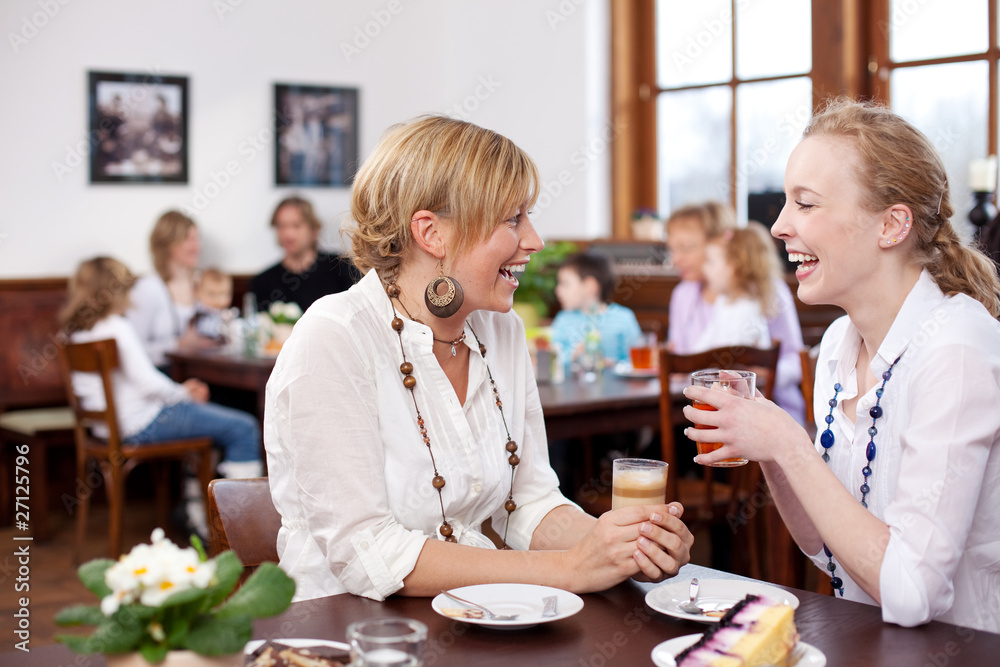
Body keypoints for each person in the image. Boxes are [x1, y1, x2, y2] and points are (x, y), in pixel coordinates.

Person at [264, 116, 694, 602]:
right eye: (513, 219)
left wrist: (624, 546)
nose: (535, 240)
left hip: (470, 620)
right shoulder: (335, 337)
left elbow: (527, 503)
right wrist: (571, 569)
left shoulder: (501, 330)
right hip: (345, 632)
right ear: (432, 233)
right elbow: (367, 555)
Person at [683, 98, 1000, 634]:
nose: (780, 225)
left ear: (891, 225)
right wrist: (771, 452)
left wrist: (788, 443)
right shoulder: (837, 343)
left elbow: (912, 591)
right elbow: (824, 548)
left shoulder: (957, 350)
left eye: (805, 205)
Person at [59, 257, 264, 539]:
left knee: (209, 426)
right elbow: (148, 383)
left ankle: (197, 515)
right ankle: (243, 532)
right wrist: (184, 392)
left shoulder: (74, 331)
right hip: (144, 422)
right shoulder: (116, 327)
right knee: (243, 427)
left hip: (106, 428)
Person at [666, 201, 806, 424]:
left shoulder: (766, 289)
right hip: (700, 408)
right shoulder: (683, 295)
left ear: (721, 243)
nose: (676, 259)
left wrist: (760, 377)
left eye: (687, 248)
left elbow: (796, 360)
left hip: (771, 409)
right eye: (672, 249)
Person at [127, 211, 218, 370]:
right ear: (168, 244)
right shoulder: (148, 288)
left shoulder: (200, 283)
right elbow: (132, 351)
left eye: (197, 238)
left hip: (202, 372)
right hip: (162, 378)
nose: (197, 246)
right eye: (188, 240)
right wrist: (178, 345)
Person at [249, 196, 358, 313]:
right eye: (281, 226)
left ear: (313, 230)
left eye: (296, 225)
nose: (288, 234)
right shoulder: (263, 281)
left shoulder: (341, 268)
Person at [692, 223, 778, 352]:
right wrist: (687, 365)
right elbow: (707, 340)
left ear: (736, 267)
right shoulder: (723, 301)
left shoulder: (748, 310)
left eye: (711, 262)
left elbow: (733, 355)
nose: (704, 268)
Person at [550, 251, 643, 369]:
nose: (558, 290)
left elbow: (636, 361)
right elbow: (552, 359)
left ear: (589, 286)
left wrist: (615, 365)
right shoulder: (563, 319)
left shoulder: (623, 318)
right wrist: (572, 355)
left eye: (565, 284)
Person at [191, 268, 234, 342]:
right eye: (211, 294)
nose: (217, 300)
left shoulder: (224, 313)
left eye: (222, 294)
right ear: (197, 293)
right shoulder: (199, 311)